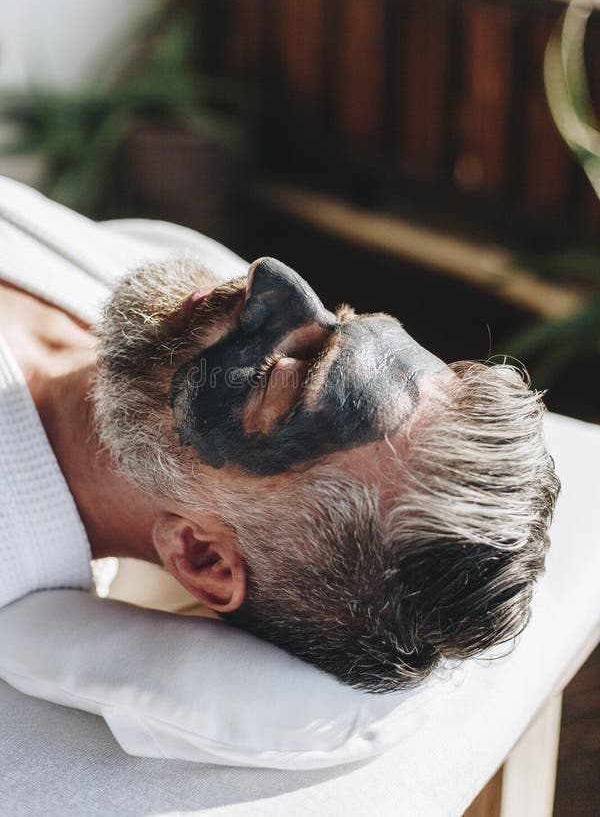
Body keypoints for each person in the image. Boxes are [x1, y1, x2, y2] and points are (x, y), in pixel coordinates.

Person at [0, 175, 559, 692]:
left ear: (202, 556)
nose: (270, 275)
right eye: (343, 314)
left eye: (285, 377)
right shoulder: (174, 308)